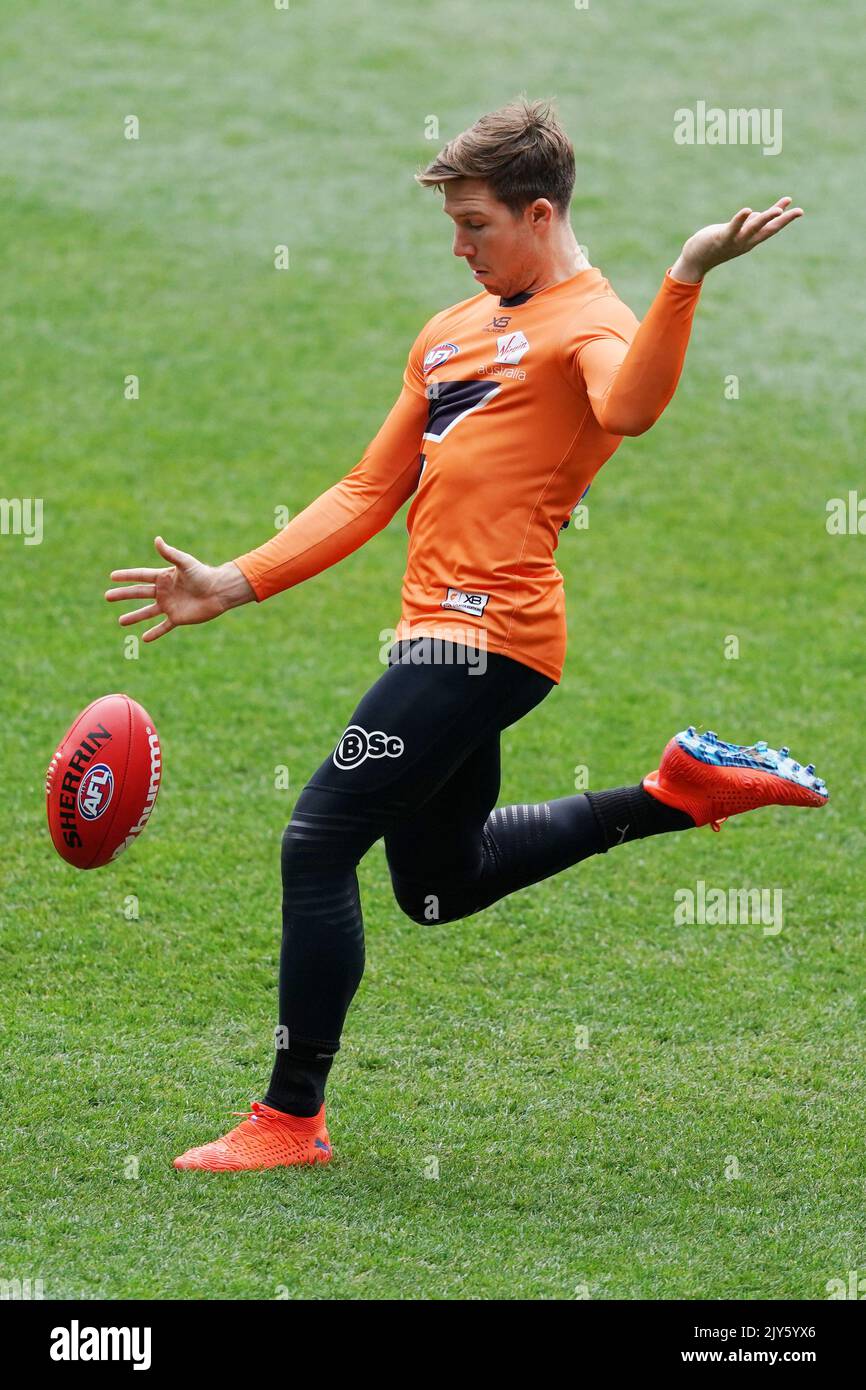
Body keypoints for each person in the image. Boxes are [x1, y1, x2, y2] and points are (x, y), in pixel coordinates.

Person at [106, 98, 827, 1172]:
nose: (458, 245)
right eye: (451, 225)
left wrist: (684, 275)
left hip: (486, 634)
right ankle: (674, 792)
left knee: (314, 840)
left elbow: (627, 408)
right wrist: (233, 581)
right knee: (438, 885)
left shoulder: (592, 323)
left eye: (475, 224)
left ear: (540, 215)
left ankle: (287, 1119)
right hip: (431, 636)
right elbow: (366, 488)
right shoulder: (448, 333)